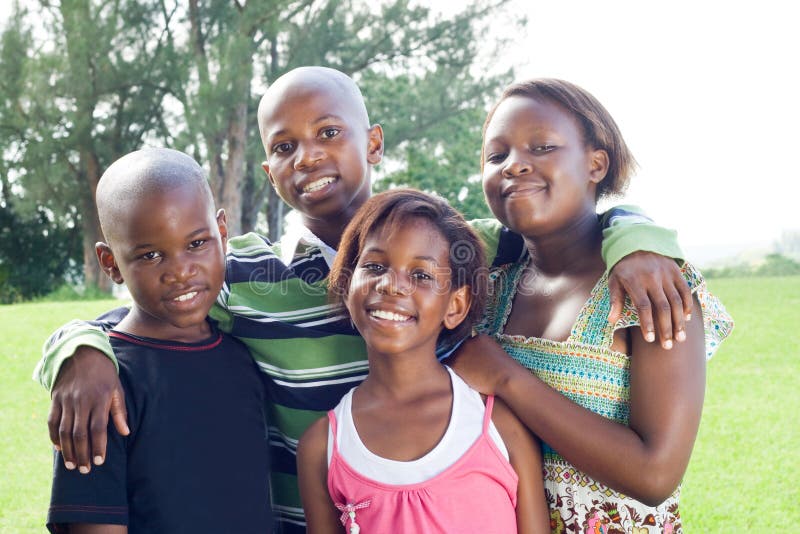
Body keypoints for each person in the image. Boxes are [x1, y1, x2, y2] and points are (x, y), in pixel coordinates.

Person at [35, 67, 690, 532]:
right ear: (268, 170)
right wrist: (79, 348)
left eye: (329, 133)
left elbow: (563, 229)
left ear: (372, 141)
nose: (308, 157)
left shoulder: (443, 243)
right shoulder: (248, 274)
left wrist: (634, 236)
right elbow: (158, 298)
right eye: (285, 147)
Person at [448, 79, 734, 533]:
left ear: (596, 164)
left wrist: (506, 378)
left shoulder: (650, 288)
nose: (514, 165)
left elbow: (655, 475)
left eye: (542, 147)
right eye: (496, 156)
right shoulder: (486, 289)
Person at [45, 148, 272, 533]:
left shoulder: (244, 354)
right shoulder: (102, 387)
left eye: (197, 243)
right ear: (111, 263)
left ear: (221, 233)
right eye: (150, 255)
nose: (180, 271)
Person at [298, 188, 549, 533]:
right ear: (347, 284)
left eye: (421, 275)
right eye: (374, 266)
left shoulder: (498, 425)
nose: (391, 285)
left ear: (455, 306)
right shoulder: (322, 448)